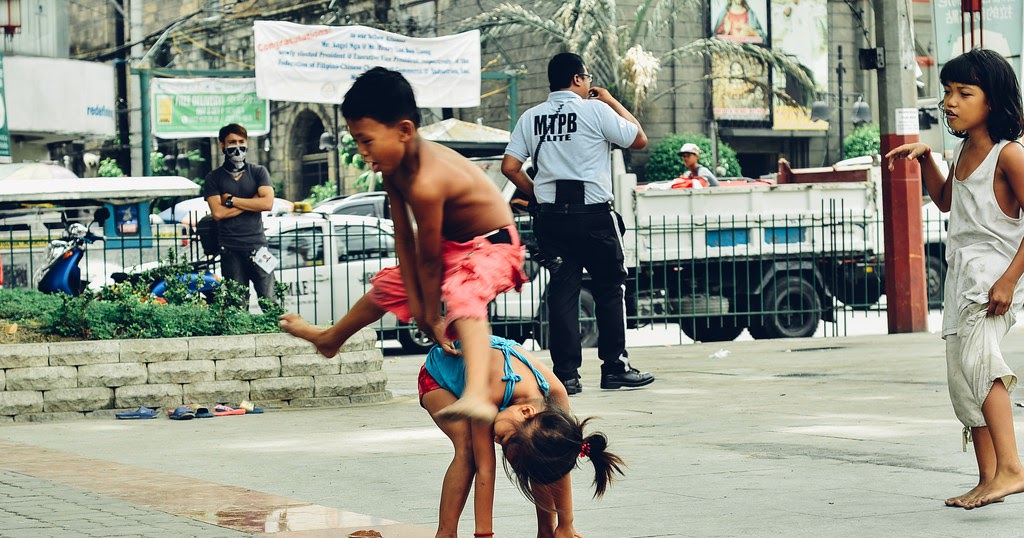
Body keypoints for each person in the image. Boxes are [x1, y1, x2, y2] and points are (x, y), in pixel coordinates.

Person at [279, 67, 526, 422]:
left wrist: (429, 314)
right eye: (357, 142)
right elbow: (405, 243)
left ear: (404, 131)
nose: (363, 152)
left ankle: (477, 393)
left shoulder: (428, 180)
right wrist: (424, 313)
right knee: (387, 286)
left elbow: (428, 260)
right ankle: (332, 338)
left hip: (494, 243)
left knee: (462, 292)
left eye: (367, 140)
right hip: (452, 244)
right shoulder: (394, 169)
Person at [885, 48, 1024, 509]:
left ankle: (1011, 469)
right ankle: (989, 477)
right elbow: (947, 201)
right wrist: (927, 159)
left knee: (983, 362)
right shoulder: (965, 148)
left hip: (994, 278)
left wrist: (1007, 281)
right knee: (961, 377)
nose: (950, 101)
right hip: (963, 277)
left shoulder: (1011, 154)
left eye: (964, 93)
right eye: (947, 92)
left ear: (994, 100)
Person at [501, 52, 655, 395]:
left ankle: (566, 377)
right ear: (577, 79)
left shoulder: (531, 117)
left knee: (563, 293)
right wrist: (612, 100)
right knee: (609, 289)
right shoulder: (596, 110)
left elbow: (510, 167)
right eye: (586, 80)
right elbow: (639, 138)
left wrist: (538, 196)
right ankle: (615, 367)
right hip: (595, 218)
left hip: (553, 221)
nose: (589, 86)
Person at [421, 335, 622, 538]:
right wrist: (484, 535)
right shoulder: (488, 395)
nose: (497, 440)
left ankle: (546, 532)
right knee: (469, 448)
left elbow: (558, 460)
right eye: (505, 439)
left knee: (540, 460)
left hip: (481, 385)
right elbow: (486, 469)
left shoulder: (556, 397)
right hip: (439, 379)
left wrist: (566, 524)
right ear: (525, 412)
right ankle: (445, 533)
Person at [204, 123, 277, 305]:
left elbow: (267, 203)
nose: (237, 147)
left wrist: (232, 200)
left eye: (241, 141)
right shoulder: (214, 178)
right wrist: (253, 202)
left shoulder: (259, 172)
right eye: (232, 142)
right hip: (230, 250)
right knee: (237, 304)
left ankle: (275, 333)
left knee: (269, 300)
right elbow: (218, 213)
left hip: (258, 247)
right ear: (222, 145)